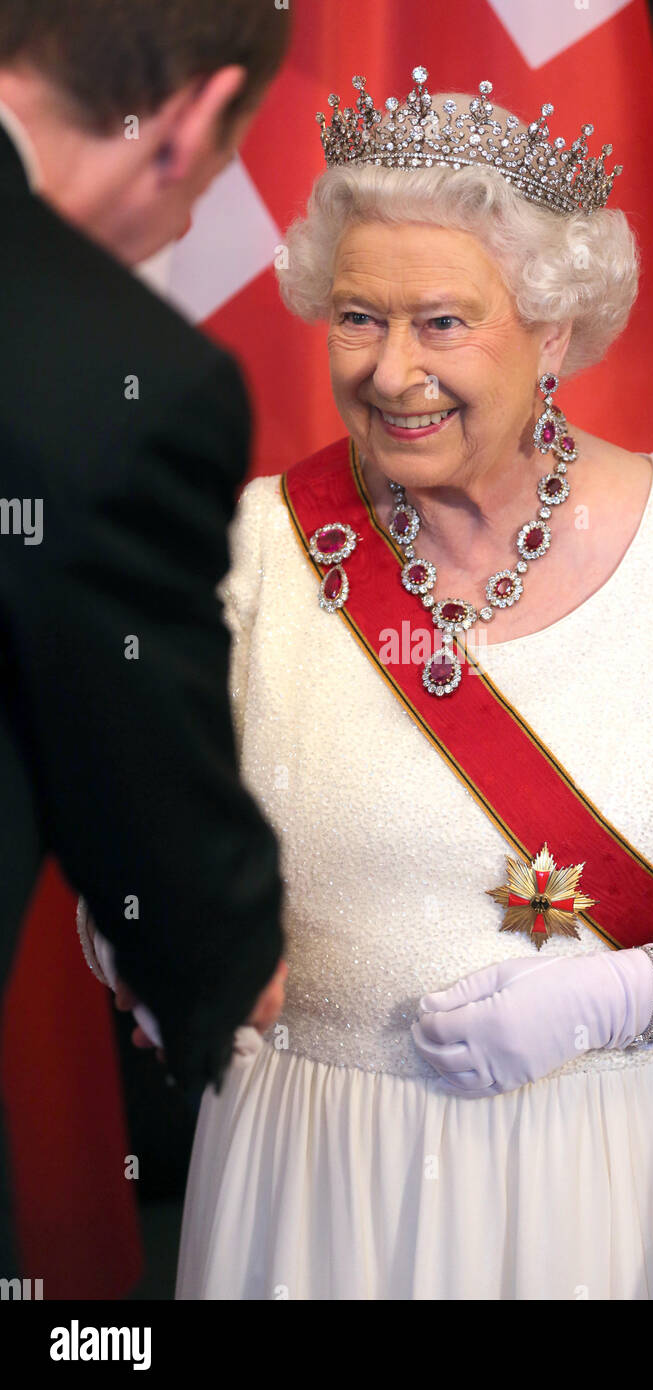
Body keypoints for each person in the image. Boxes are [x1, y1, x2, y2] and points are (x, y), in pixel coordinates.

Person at [166, 66, 653, 1299]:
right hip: (312, 1175)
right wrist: (143, 944)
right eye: (355, 317)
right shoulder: (254, 548)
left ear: (551, 332)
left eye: (441, 321)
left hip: (596, 1176)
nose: (389, 372)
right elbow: (145, 850)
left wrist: (629, 996)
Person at [0, 0, 292, 1279]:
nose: (182, 231)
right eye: (217, 174)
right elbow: (137, 762)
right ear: (180, 122)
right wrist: (220, 966)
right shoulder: (108, 376)